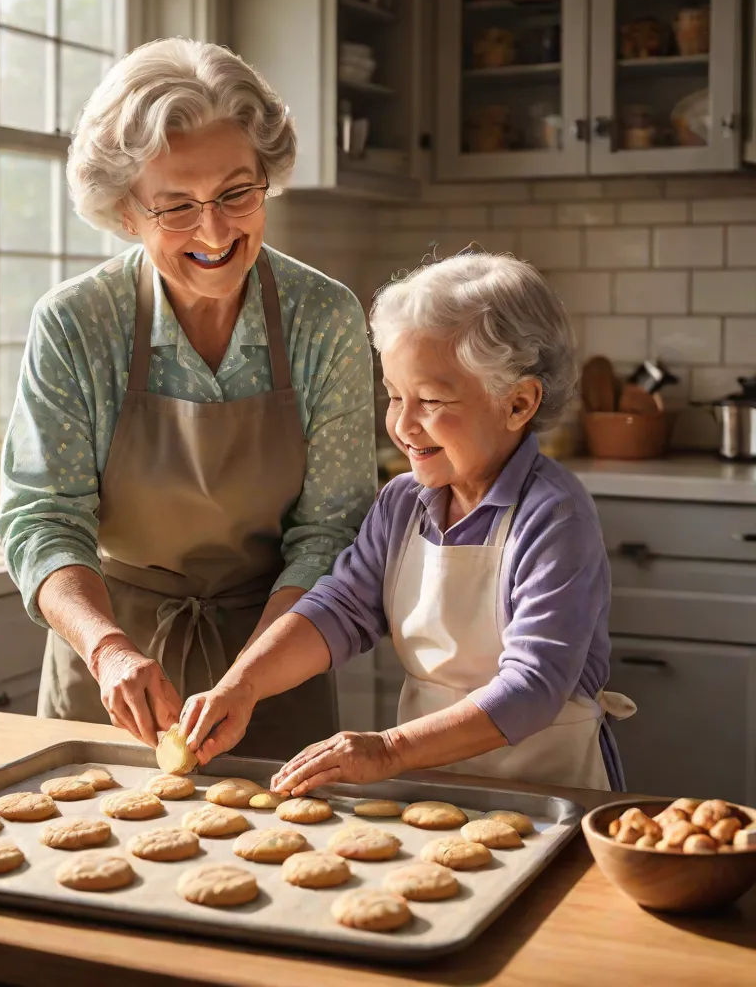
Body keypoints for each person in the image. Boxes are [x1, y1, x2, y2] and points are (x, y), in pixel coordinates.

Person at [0, 38, 377, 758]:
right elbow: (43, 517)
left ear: (267, 177)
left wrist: (250, 677)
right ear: (124, 211)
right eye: (175, 206)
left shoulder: (322, 317)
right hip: (110, 676)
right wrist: (106, 647)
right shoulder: (79, 323)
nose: (214, 231)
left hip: (278, 660)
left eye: (237, 193)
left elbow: (331, 532)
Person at [180, 248, 636, 792]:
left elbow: (534, 685)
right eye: (394, 395)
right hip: (433, 785)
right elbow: (340, 609)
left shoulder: (554, 517)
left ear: (518, 404)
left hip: (550, 792)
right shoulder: (404, 503)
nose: (402, 424)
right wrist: (242, 685)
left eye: (431, 400)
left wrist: (389, 749)